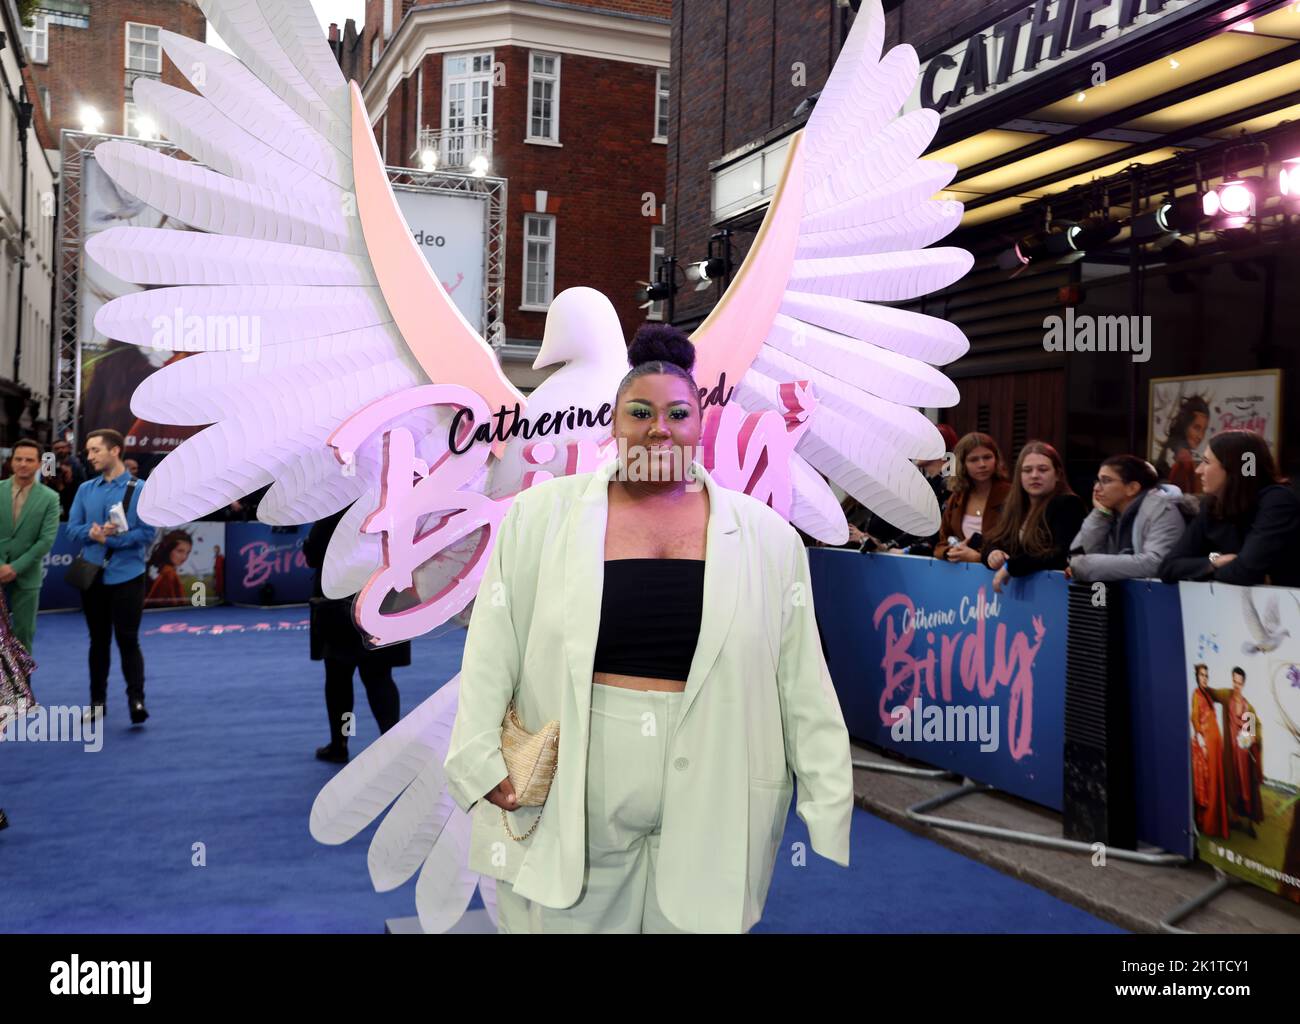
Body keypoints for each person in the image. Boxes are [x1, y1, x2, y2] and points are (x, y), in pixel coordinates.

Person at [444, 324, 853, 934]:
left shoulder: (770, 538)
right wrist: (478, 757)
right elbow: (491, 647)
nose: (658, 427)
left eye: (677, 413)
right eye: (640, 412)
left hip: (721, 770)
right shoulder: (540, 516)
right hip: (578, 769)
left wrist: (827, 794)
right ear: (613, 422)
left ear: (701, 425)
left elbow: (801, 678)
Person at [302, 509, 407, 764]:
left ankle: (340, 745)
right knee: (380, 676)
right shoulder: (390, 502)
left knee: (339, 677)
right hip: (383, 598)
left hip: (338, 602)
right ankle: (391, 745)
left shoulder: (334, 507)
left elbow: (314, 554)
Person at [66, 429, 154, 725]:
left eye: (95, 450)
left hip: (128, 576)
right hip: (93, 575)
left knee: (128, 640)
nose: (89, 456)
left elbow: (148, 533)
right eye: (89, 451)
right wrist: (91, 534)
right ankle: (97, 702)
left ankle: (136, 700)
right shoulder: (84, 490)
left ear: (115, 450)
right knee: (98, 641)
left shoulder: (141, 489)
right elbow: (71, 528)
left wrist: (112, 540)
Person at [1158, 430, 1300, 586]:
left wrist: (1207, 569)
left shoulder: (1277, 502)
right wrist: (1215, 560)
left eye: (1206, 462)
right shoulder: (1212, 505)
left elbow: (1245, 571)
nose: (1198, 471)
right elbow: (1169, 567)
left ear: (1233, 467)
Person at [981, 440, 1086, 594]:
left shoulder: (1069, 504)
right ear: (1019, 476)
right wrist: (992, 553)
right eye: (1027, 470)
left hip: (1058, 595)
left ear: (1057, 474)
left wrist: (1012, 566)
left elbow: (1061, 555)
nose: (1034, 475)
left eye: (1043, 470)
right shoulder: (1013, 507)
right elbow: (991, 541)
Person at [1067, 455, 1185, 582]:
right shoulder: (1110, 511)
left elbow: (1155, 563)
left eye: (1106, 481)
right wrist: (1101, 513)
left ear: (1132, 488)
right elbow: (1082, 553)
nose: (1096, 488)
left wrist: (1085, 565)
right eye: (1097, 481)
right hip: (1118, 596)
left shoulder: (1163, 509)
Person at [854, 422, 959, 553]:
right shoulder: (927, 485)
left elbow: (937, 531)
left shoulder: (950, 485)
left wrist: (901, 550)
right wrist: (888, 547)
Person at [0, 440, 62, 652]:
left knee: (24, 633)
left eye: (29, 460)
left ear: (38, 464)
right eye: (19, 459)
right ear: (11, 462)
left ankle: (22, 685)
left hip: (27, 576)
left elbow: (45, 541)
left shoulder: (50, 498)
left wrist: (14, 568)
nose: (23, 464)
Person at [933, 432, 1011, 563]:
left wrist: (978, 557)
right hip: (963, 573)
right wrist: (950, 552)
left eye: (987, 457)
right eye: (973, 459)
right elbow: (942, 541)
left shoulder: (1011, 495)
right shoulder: (957, 497)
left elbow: (1017, 543)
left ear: (996, 459)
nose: (982, 464)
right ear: (962, 464)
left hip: (1001, 574)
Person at [1189, 663, 1229, 839]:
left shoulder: (1209, 695)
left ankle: (1218, 823)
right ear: (1197, 677)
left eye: (1206, 675)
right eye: (1202, 675)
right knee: (1209, 783)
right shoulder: (1196, 695)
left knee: (1217, 782)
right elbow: (1195, 718)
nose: (1204, 678)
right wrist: (1202, 741)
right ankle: (1209, 824)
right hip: (1207, 744)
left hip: (1216, 744)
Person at [1154, 395, 1209, 495]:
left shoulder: (1174, 444)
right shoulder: (1182, 452)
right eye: (1196, 428)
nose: (1200, 436)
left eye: (1204, 430)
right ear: (1185, 425)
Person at [145, 529, 193, 607]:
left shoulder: (162, 570)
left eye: (188, 552)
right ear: (168, 550)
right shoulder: (169, 573)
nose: (184, 557)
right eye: (180, 551)